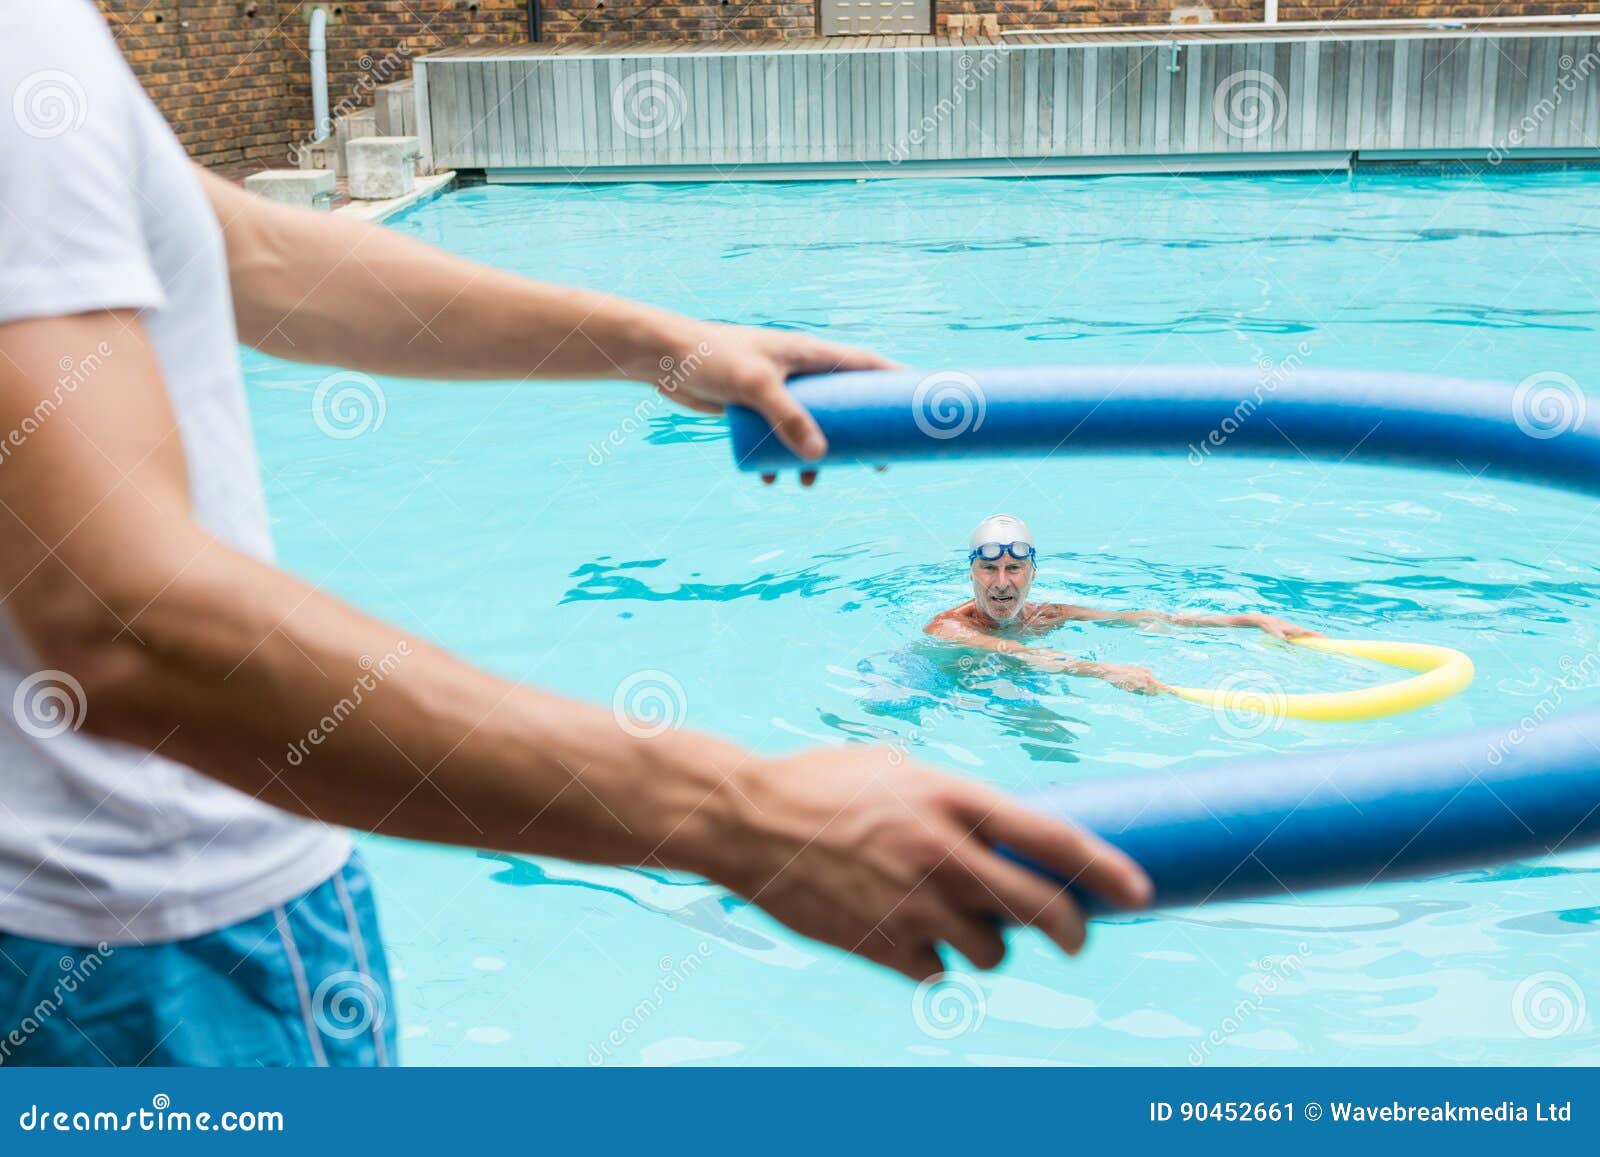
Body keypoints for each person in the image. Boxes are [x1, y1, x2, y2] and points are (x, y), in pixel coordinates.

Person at [0, 2, 1151, 1067]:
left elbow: (250, 251)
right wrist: (745, 815)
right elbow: (119, 625)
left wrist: (659, 344)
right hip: (139, 944)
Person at [925, 515, 1322, 695]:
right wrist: (1105, 671)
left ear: (1033, 574)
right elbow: (1013, 650)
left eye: (1014, 568)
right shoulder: (949, 627)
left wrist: (1249, 619)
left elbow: (1142, 619)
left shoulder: (1048, 615)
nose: (1001, 582)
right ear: (971, 573)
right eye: (988, 569)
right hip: (949, 691)